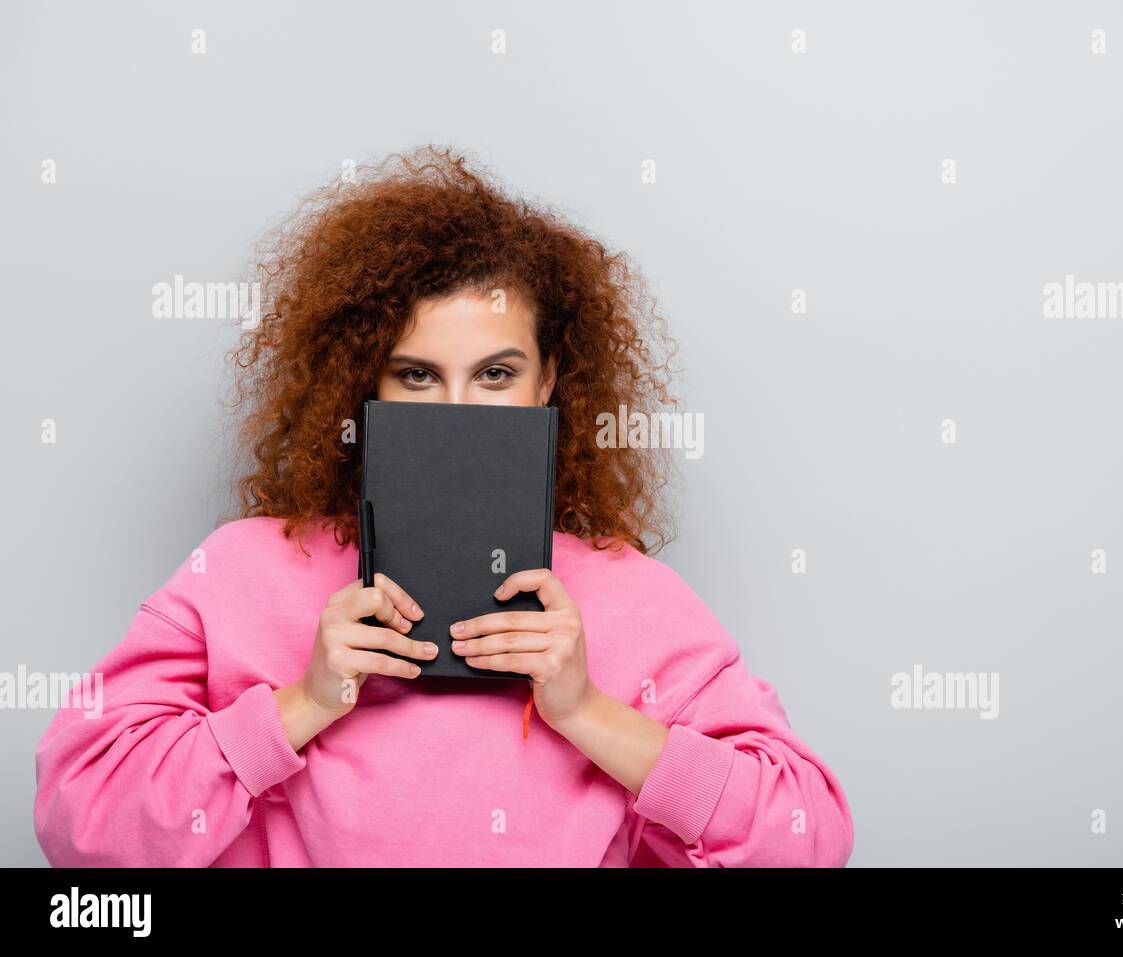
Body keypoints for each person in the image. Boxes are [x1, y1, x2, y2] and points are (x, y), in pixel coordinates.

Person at [33, 146, 854, 867]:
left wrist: (587, 712)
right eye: (417, 375)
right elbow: (80, 826)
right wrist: (302, 703)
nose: (457, 409)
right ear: (366, 384)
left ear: (547, 381)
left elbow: (804, 837)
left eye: (495, 374)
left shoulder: (634, 598)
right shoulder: (240, 572)